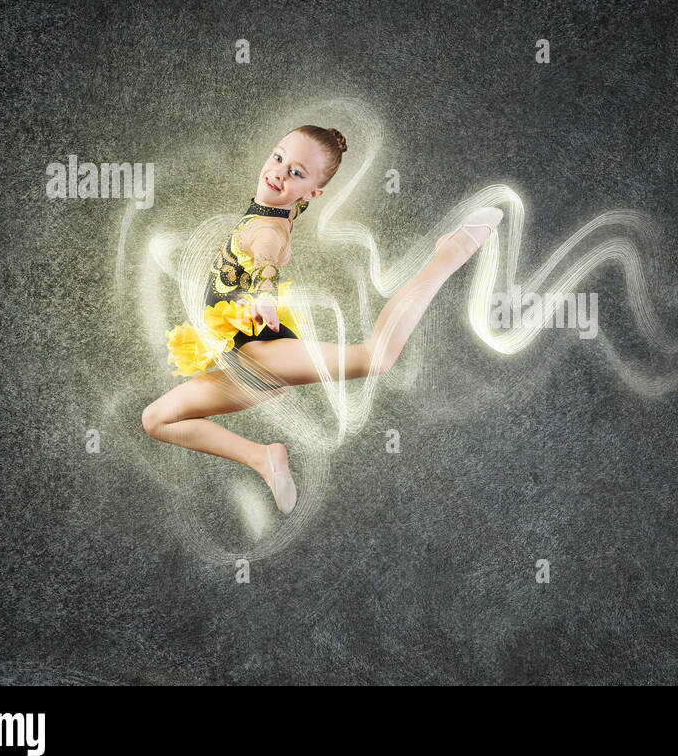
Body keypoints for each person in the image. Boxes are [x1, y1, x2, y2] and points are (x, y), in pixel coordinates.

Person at [141, 125, 503, 514]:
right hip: (241, 361)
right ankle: (264, 459)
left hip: (259, 353)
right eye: (278, 157)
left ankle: (449, 255)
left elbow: (266, 257)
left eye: (296, 173)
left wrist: (263, 295)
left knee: (375, 358)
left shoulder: (268, 227)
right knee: (157, 419)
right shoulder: (266, 212)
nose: (279, 171)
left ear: (312, 193)